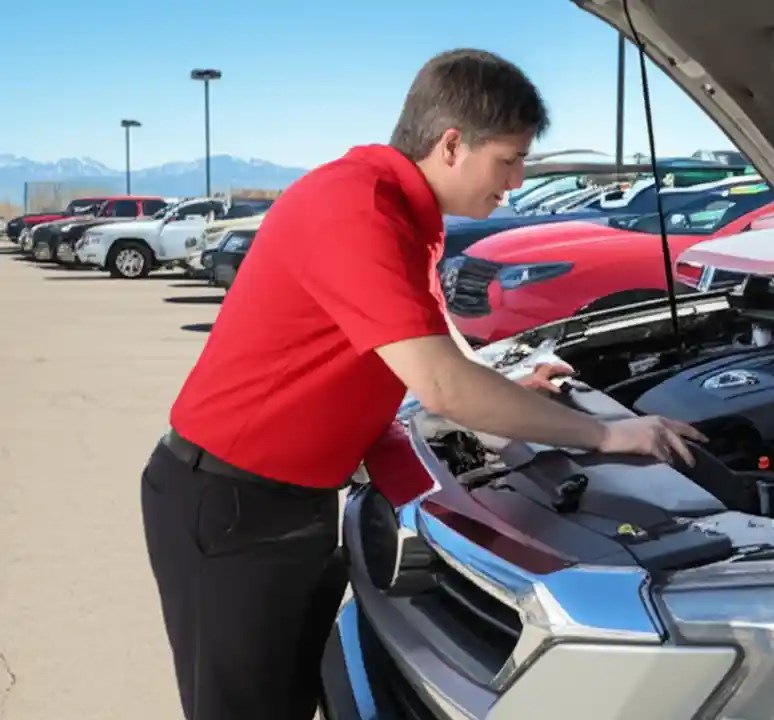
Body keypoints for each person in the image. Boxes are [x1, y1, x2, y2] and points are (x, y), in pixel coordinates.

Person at [139, 48, 706, 720]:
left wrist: (514, 385)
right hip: (231, 508)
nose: (517, 183)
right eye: (509, 160)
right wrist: (606, 433)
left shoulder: (412, 216)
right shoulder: (355, 206)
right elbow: (442, 386)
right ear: (452, 144)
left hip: (294, 506)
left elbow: (438, 348)